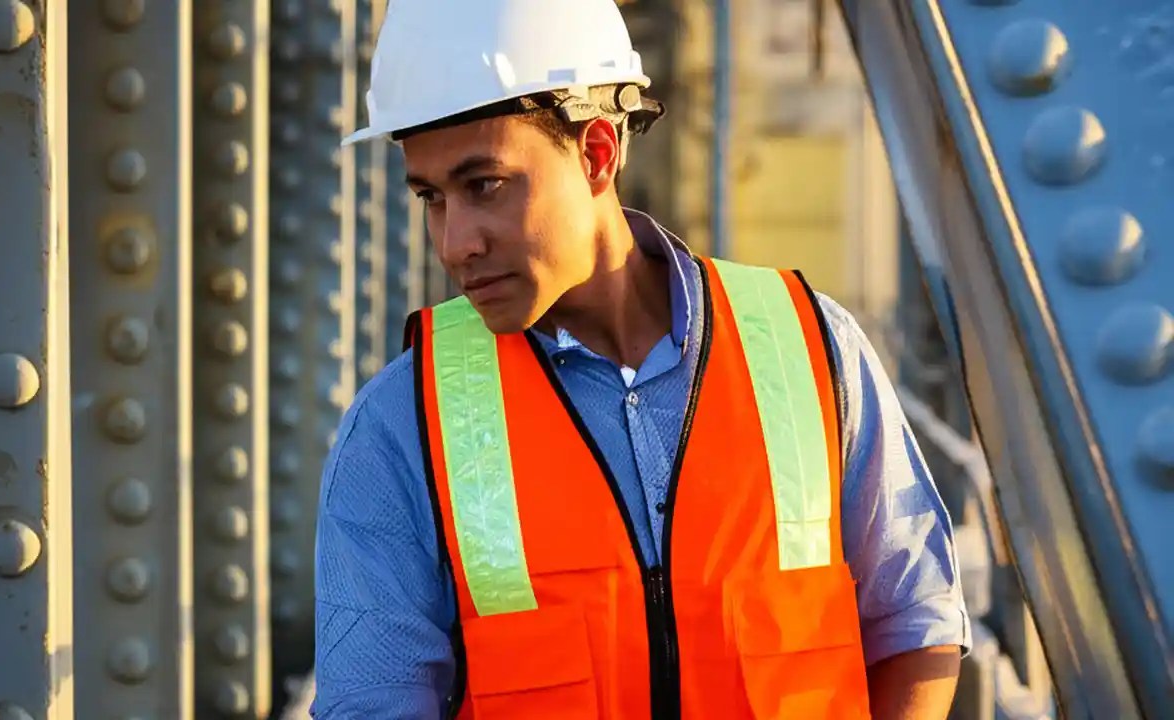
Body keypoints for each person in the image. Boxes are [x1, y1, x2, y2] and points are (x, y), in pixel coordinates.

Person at [312, 1, 969, 717]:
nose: (454, 243)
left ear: (597, 153)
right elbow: (372, 703)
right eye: (431, 198)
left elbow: (914, 619)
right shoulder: (402, 425)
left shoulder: (810, 346)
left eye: (485, 186)